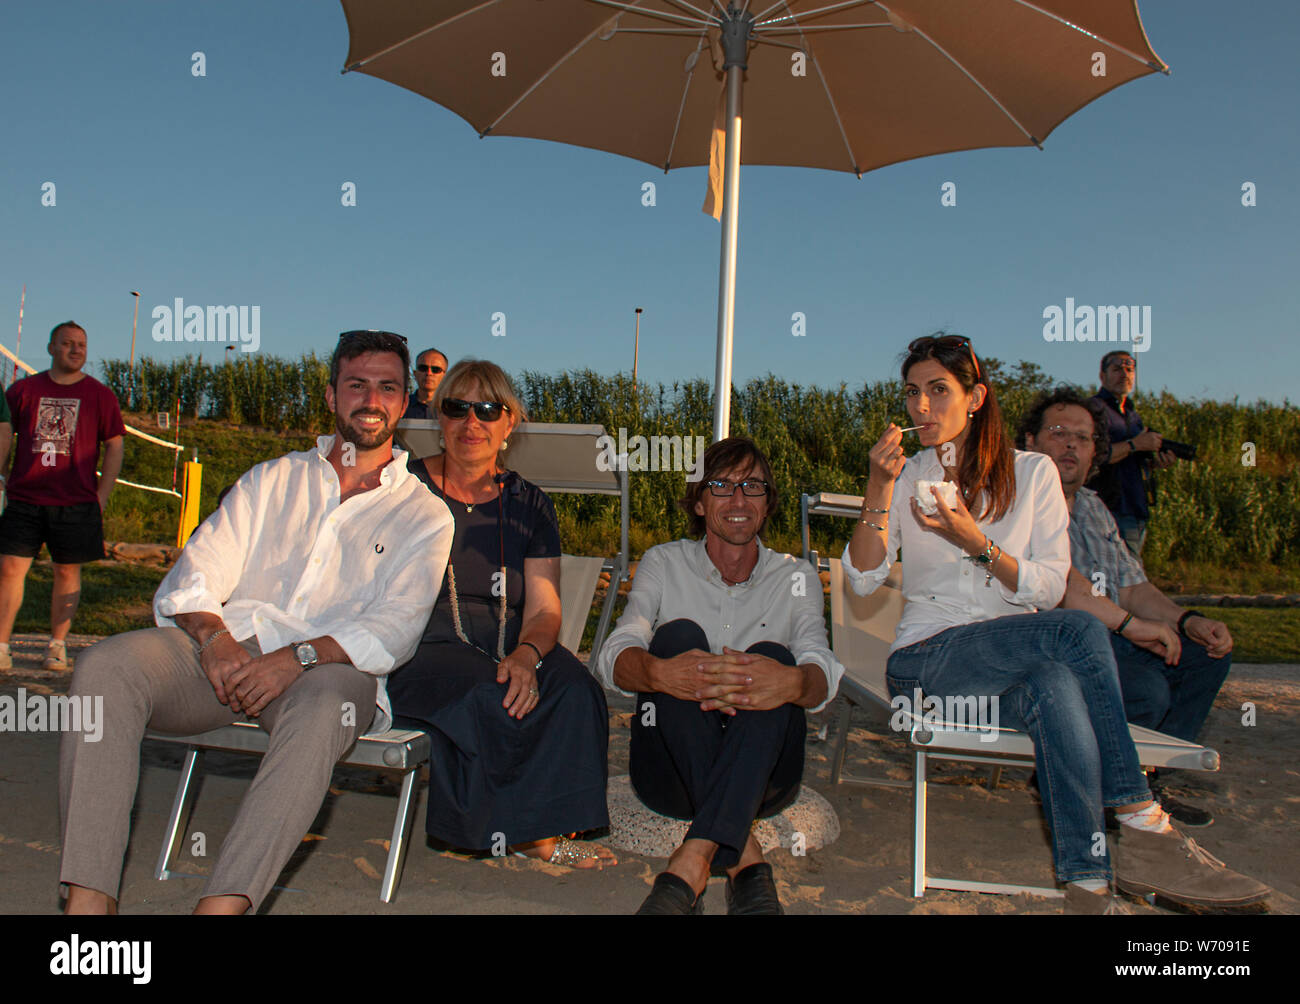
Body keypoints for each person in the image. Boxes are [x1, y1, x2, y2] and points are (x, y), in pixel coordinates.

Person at [844, 333, 1267, 913]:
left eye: (939, 390)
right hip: (928, 666)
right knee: (1078, 633)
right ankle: (1144, 824)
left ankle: (1087, 887)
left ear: (975, 397)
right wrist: (878, 485)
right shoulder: (909, 476)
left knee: (1056, 686)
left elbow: (1046, 585)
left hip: (1009, 669)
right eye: (913, 392)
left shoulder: (1033, 472)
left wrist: (974, 540)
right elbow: (863, 579)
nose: (922, 406)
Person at [58, 330, 455, 914]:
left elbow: (394, 628)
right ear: (330, 395)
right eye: (357, 384)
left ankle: (221, 907)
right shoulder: (271, 480)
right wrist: (215, 639)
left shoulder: (423, 514)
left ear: (402, 403)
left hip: (330, 671)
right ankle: (88, 907)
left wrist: (296, 658)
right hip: (227, 658)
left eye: (388, 387)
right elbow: (195, 576)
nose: (371, 398)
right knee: (103, 669)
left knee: (326, 705)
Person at [596, 436, 843, 915]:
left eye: (753, 486)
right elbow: (614, 655)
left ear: (768, 503)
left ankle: (689, 865)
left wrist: (791, 683)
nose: (737, 500)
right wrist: (661, 672)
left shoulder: (797, 576)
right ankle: (747, 863)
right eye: (721, 485)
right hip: (668, 773)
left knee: (775, 655)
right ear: (698, 500)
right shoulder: (664, 562)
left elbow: (821, 668)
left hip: (766, 774)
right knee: (674, 639)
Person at [386, 359, 615, 870]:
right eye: (457, 407)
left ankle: (546, 822)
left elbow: (545, 605)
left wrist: (529, 654)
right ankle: (520, 834)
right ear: (437, 417)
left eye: (488, 409)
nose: (473, 422)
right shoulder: (401, 487)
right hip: (423, 644)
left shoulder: (529, 504)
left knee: (578, 691)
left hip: (512, 637)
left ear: (509, 424)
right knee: (489, 695)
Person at [1019, 387, 1231, 826]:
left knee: (1205, 657)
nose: (1071, 443)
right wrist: (1131, 625)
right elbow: (1056, 587)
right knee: (1146, 690)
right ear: (1030, 442)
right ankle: (1079, 777)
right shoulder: (1014, 503)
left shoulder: (1095, 508)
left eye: (1083, 436)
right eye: (1057, 432)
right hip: (1056, 645)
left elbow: (1133, 587)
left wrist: (1189, 620)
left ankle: (1143, 782)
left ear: (1095, 451)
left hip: (1117, 632)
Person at [0, 322, 125, 671]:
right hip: (25, 498)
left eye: (82, 344)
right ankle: (1, 645)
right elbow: (5, 435)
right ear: (51, 347)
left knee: (67, 572)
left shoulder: (100, 395)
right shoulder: (23, 389)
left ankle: (57, 645)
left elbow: (115, 444)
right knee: (9, 568)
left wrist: (102, 494)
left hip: (75, 502)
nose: (76, 350)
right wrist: (4, 476)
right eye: (67, 343)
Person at [1086, 350, 1178, 557]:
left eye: (1130, 369)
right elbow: (1094, 455)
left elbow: (1129, 460)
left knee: (1127, 574)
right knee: (1121, 576)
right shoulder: (1094, 409)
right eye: (1117, 369)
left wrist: (1156, 463)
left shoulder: (1133, 416)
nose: (1124, 374)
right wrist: (1135, 444)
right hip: (1107, 507)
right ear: (1102, 376)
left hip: (1135, 506)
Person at [402, 347, 449, 419]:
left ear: (445, 376)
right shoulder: (400, 406)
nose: (429, 373)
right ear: (415, 373)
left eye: (436, 369)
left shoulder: (452, 409)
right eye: (423, 368)